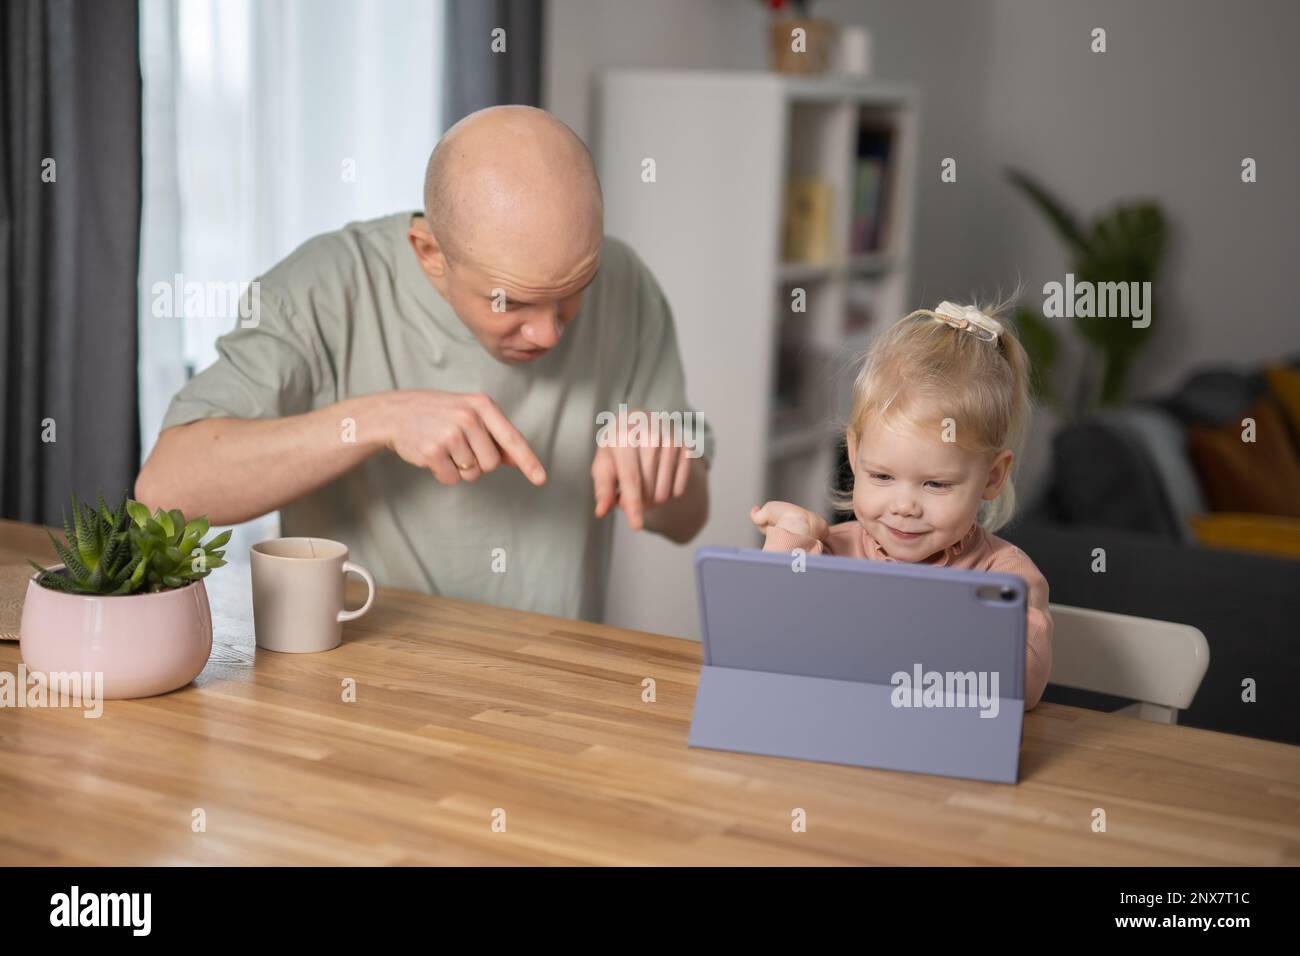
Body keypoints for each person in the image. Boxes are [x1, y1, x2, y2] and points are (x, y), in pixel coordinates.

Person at [135, 105, 713, 622]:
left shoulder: (627, 281)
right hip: (361, 687)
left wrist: (661, 466)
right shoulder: (324, 287)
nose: (549, 331)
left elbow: (688, 520)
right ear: (429, 253)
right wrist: (376, 420)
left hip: (551, 686)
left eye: (573, 290)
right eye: (511, 301)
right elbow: (167, 488)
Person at [750, 299, 1052, 708]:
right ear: (855, 456)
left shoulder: (1004, 576)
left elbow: (1021, 689)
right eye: (882, 476)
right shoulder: (829, 552)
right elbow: (762, 640)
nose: (905, 506)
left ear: (992, 477)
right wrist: (791, 541)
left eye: (935, 484)